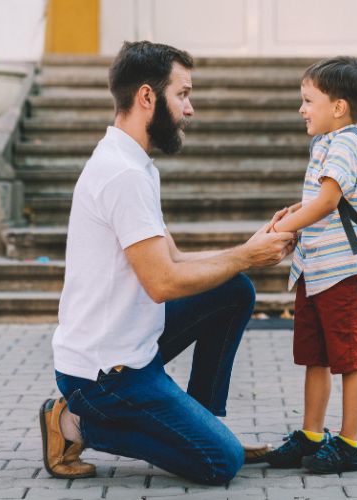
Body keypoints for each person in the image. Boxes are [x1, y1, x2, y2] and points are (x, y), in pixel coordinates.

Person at [38, 40, 296, 486]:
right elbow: (163, 282)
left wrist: (247, 251)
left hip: (131, 346)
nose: (190, 108)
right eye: (183, 94)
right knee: (220, 463)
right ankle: (73, 423)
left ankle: (203, 420)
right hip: (103, 377)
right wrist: (246, 256)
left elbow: (172, 259)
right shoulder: (123, 175)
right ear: (146, 97)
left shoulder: (135, 164)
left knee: (233, 290)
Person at [262, 56, 357, 474]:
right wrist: (294, 211)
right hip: (315, 271)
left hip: (342, 273)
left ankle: (349, 445)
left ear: (338, 106)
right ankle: (312, 435)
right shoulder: (328, 142)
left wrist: (282, 232)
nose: (301, 108)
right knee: (315, 357)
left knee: (348, 359)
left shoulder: (348, 141)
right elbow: (324, 198)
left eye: (308, 99)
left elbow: (329, 201)